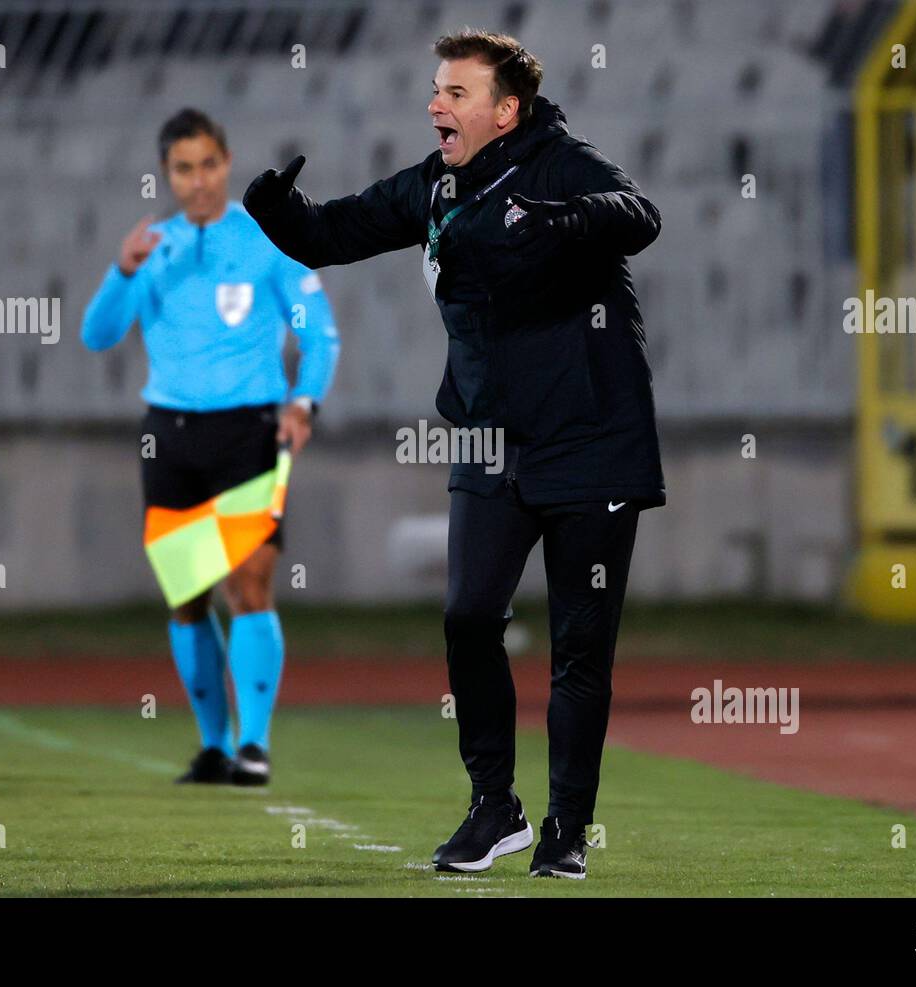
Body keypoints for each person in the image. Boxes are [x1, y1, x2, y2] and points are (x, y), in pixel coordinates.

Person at [243, 30, 663, 877]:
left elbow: (639, 214)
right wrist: (276, 214)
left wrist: (567, 217)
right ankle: (493, 806)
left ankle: (566, 829)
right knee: (469, 615)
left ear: (507, 111)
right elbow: (337, 232)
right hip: (488, 438)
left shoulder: (560, 164)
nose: (438, 104)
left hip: (592, 441)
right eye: (437, 89)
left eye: (457, 93)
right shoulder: (435, 185)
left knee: (582, 650)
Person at [81, 108, 339, 786]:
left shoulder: (266, 241)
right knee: (187, 596)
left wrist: (304, 401)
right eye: (183, 169)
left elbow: (320, 333)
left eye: (208, 165)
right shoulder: (151, 246)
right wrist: (120, 269)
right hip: (169, 435)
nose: (198, 180)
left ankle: (254, 745)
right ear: (167, 174)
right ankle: (213, 744)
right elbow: (98, 334)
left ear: (225, 163)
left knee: (248, 580)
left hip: (250, 429)